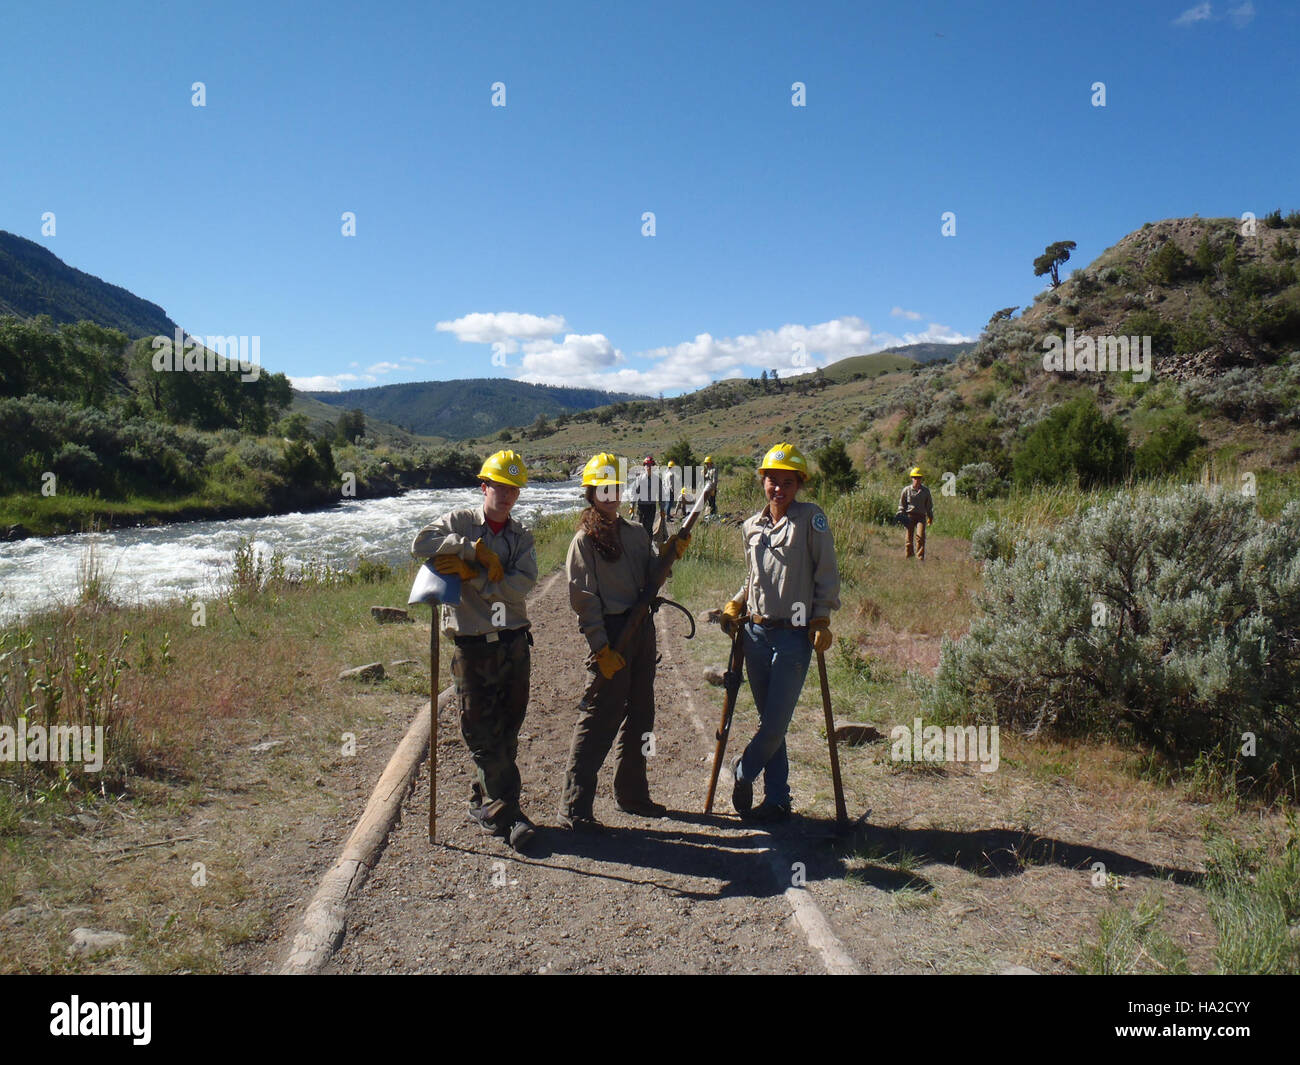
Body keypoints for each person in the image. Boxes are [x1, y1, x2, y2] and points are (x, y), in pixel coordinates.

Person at [411, 449, 539, 851]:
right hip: (472, 646)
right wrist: (470, 549)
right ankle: (511, 814)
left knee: (508, 731)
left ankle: (482, 800)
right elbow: (420, 544)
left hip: (513, 643)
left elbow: (521, 585)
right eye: (500, 487)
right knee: (481, 734)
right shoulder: (459, 522)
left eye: (513, 489)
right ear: (484, 487)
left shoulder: (522, 536)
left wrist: (475, 577)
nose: (507, 496)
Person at [559, 452, 688, 830]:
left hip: (642, 629)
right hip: (613, 634)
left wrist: (669, 554)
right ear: (591, 492)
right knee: (599, 717)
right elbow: (584, 600)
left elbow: (651, 575)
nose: (611, 494)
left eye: (615, 486)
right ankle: (574, 806)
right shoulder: (584, 541)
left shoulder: (634, 533)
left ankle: (632, 793)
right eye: (603, 488)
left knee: (642, 714)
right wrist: (600, 647)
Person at [720, 442, 839, 823]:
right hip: (755, 634)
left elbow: (826, 572)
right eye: (773, 481)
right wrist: (736, 602)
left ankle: (744, 770)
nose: (779, 489)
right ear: (763, 482)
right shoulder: (750, 527)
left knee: (775, 725)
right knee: (769, 720)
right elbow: (753, 577)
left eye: (788, 483)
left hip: (793, 636)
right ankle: (778, 799)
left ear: (799, 485)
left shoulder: (811, 519)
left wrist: (821, 619)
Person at [896, 466, 934, 560]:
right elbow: (902, 505)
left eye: (919, 477)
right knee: (908, 539)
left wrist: (930, 517)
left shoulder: (926, 491)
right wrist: (901, 515)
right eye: (915, 477)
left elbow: (929, 506)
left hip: (921, 517)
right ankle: (909, 557)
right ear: (912, 478)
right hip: (909, 516)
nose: (917, 479)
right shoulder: (906, 490)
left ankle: (920, 558)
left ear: (921, 478)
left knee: (920, 537)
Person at [632, 456, 657, 539]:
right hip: (642, 507)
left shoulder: (656, 480)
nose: (649, 467)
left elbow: (661, 494)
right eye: (647, 465)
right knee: (641, 527)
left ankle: (649, 544)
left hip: (651, 507)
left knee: (649, 528)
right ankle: (641, 544)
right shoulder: (639, 479)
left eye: (651, 465)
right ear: (644, 466)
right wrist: (632, 506)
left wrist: (662, 509)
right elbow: (635, 493)